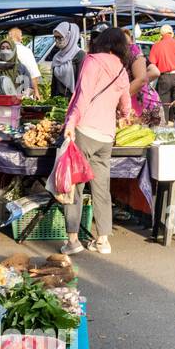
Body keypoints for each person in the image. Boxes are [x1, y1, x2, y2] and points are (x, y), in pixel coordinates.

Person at [59, 26, 132, 257]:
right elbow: (126, 105)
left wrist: (70, 123)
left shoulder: (92, 61)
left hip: (86, 131)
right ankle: (103, 241)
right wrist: (123, 115)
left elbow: (83, 95)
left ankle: (73, 241)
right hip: (106, 137)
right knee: (102, 189)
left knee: (75, 187)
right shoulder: (122, 68)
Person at [123, 29, 160, 119]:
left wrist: (138, 81)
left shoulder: (132, 51)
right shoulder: (137, 54)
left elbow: (155, 72)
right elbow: (155, 72)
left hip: (140, 104)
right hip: (150, 100)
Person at [148, 24, 175, 106]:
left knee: (165, 103)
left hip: (164, 78)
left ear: (161, 34)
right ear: (172, 33)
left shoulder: (156, 46)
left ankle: (166, 118)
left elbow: (152, 64)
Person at [49, 21, 86, 100]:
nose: (57, 40)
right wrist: (51, 100)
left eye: (60, 37)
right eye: (55, 37)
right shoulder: (56, 57)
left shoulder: (80, 55)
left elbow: (81, 83)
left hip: (73, 101)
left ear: (69, 36)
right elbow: (54, 83)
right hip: (57, 102)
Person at [8, 26, 42, 98]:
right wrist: (36, 92)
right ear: (20, 38)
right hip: (24, 93)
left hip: (6, 91)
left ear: (9, 37)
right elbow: (33, 74)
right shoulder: (27, 51)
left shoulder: (1, 51)